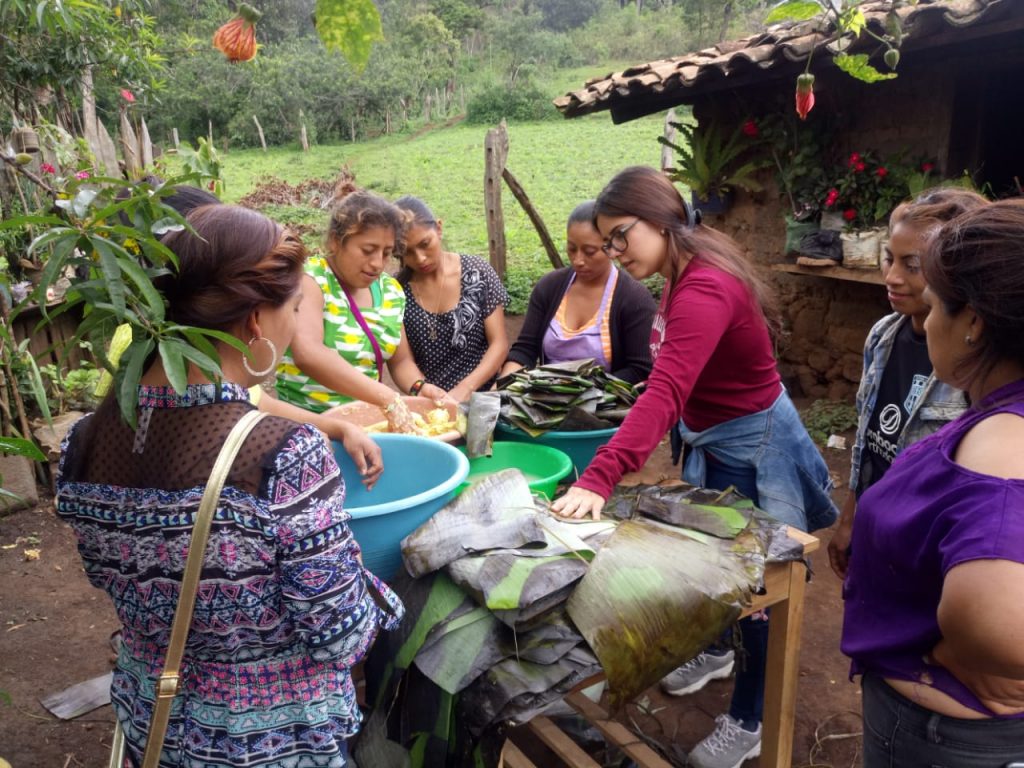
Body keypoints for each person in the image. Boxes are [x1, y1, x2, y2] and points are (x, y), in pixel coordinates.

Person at [56, 204, 403, 767]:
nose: (294, 326)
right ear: (256, 324)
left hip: (154, 722)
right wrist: (380, 590)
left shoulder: (86, 440)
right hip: (277, 741)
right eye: (293, 308)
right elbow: (340, 635)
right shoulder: (284, 453)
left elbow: (109, 577)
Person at [551, 166, 836, 768]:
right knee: (717, 561)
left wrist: (600, 476)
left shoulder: (704, 287)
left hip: (756, 445)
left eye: (619, 236)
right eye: (607, 241)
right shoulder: (680, 267)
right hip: (714, 436)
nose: (613, 252)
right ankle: (720, 650)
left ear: (659, 220)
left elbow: (665, 391)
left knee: (761, 583)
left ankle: (750, 719)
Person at [841, 199, 1024, 766]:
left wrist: (964, 650)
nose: (925, 319)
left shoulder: (998, 451)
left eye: (936, 304)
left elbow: (995, 623)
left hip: (943, 738)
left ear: (973, 323)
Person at [828, 188, 987, 579]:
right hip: (875, 526)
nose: (891, 276)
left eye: (912, 265)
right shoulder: (883, 335)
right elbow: (868, 442)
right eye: (889, 259)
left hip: (923, 547)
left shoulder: (972, 365)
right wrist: (850, 517)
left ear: (955, 269)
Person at [276, 185, 446, 430]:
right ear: (336, 242)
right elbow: (309, 353)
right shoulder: (312, 280)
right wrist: (385, 397)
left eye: (387, 253)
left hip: (365, 425)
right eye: (368, 251)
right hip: (311, 427)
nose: (378, 263)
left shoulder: (390, 292)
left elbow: (400, 362)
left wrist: (421, 387)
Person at [500, 200, 656, 384]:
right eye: (572, 249)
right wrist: (500, 389)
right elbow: (525, 350)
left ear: (611, 248)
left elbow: (640, 370)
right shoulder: (549, 287)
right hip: (547, 402)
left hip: (604, 405)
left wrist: (578, 391)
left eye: (589, 252)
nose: (578, 260)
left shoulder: (633, 298)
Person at [394, 195, 509, 403]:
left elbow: (499, 343)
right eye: (407, 252)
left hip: (484, 396)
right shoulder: (396, 292)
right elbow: (401, 362)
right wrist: (422, 391)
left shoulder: (477, 273)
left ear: (438, 228)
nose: (420, 258)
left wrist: (467, 389)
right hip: (431, 404)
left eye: (425, 244)